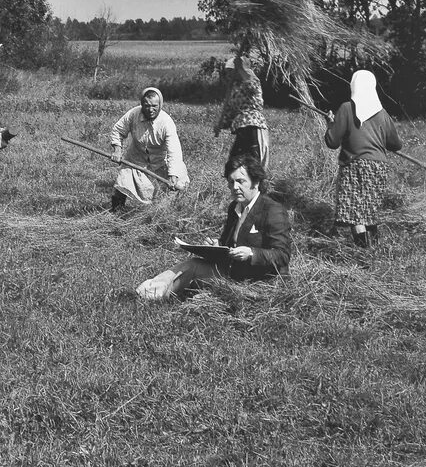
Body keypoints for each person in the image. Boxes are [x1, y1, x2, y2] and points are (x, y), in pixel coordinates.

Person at [136, 154, 291, 301]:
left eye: (241, 181)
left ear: (256, 182)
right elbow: (229, 243)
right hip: (233, 272)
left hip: (258, 282)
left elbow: (282, 255)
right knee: (192, 264)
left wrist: (251, 253)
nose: (235, 187)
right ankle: (147, 294)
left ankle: (190, 294)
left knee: (203, 290)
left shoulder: (273, 210)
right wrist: (217, 246)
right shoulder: (235, 207)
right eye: (231, 182)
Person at [324, 70, 403, 247]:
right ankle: (373, 248)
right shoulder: (383, 114)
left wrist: (330, 124)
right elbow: (396, 145)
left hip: (355, 164)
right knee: (369, 209)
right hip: (379, 167)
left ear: (354, 85)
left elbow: (332, 141)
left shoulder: (346, 108)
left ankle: (363, 251)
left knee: (355, 211)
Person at [109, 87, 189, 210]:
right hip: (136, 157)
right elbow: (118, 130)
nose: (150, 109)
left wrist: (173, 174)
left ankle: (161, 213)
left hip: (160, 160)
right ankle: (116, 213)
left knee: (177, 185)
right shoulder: (133, 114)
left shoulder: (166, 123)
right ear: (141, 104)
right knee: (122, 182)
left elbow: (174, 150)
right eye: (146, 105)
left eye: (154, 106)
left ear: (160, 105)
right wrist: (117, 150)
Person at [214, 54, 270, 170]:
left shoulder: (252, 80)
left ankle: (257, 186)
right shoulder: (234, 89)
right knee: (235, 163)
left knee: (254, 163)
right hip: (240, 128)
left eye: (231, 71)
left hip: (253, 125)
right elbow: (230, 114)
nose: (229, 75)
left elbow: (250, 84)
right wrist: (220, 125)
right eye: (228, 72)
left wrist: (240, 67)